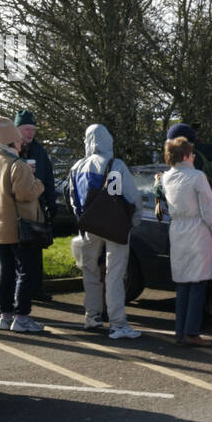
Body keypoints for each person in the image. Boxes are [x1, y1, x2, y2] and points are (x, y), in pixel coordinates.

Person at [67, 123, 142, 340]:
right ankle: (118, 324)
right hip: (115, 227)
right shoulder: (115, 165)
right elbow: (128, 197)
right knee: (114, 275)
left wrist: (85, 219)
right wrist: (134, 221)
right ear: (108, 140)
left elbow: (73, 200)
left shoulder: (76, 167)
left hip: (88, 226)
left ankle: (92, 316)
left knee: (89, 271)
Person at [0, 117, 47, 333]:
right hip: (20, 227)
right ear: (11, 141)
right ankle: (22, 317)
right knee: (26, 272)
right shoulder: (17, 164)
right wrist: (38, 184)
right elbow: (25, 194)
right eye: (18, 140)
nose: (21, 143)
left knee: (5, 271)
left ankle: (5, 315)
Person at [161, 137, 212, 346]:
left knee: (183, 284)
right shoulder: (197, 177)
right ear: (188, 155)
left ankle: (180, 330)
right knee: (198, 283)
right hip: (197, 231)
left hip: (177, 230)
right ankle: (192, 332)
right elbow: (209, 210)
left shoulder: (167, 177)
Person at [15, 110, 57, 302]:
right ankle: (22, 294)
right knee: (20, 255)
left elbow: (48, 177)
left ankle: (37, 289)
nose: (30, 133)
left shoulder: (39, 150)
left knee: (36, 249)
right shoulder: (13, 150)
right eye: (26, 129)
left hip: (38, 206)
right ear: (17, 129)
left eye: (33, 129)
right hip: (19, 210)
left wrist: (51, 203)